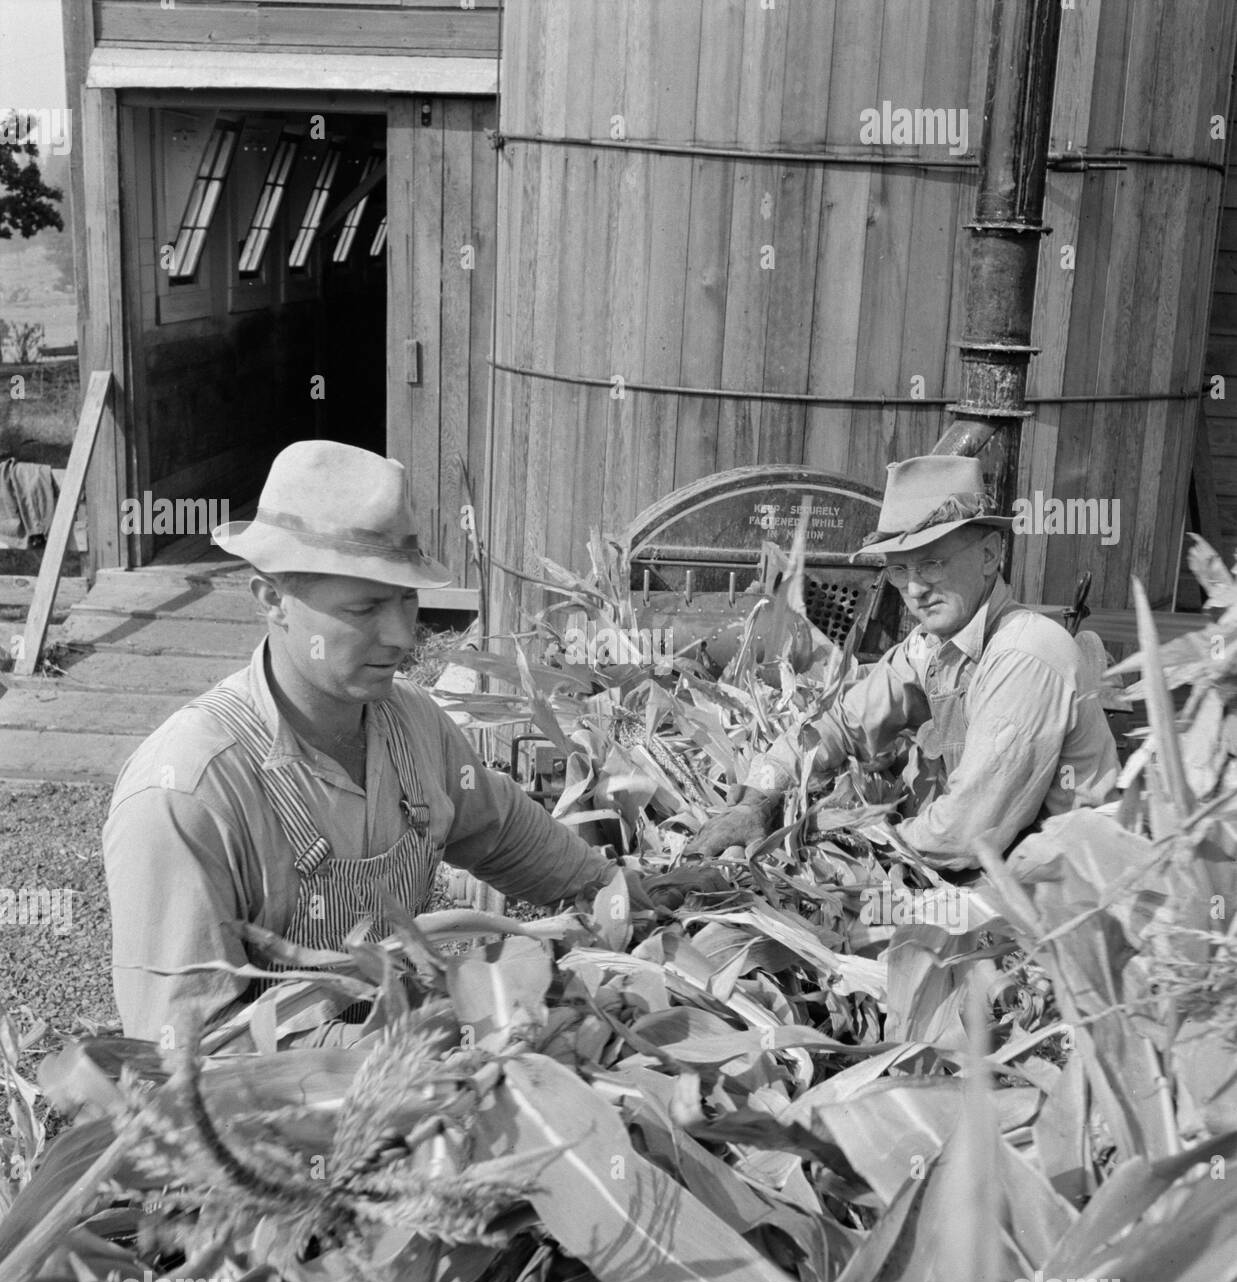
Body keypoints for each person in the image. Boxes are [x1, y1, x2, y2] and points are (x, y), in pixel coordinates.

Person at [105, 440, 629, 1052]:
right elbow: (190, 1054)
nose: (403, 636)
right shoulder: (188, 794)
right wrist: (400, 1048)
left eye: (408, 598)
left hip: (407, 1072)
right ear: (272, 599)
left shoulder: (410, 723)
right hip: (280, 1116)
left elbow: (504, 829)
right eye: (365, 607)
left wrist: (612, 892)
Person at [689, 455, 1120, 871]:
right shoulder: (932, 645)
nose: (914, 589)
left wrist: (836, 840)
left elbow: (965, 836)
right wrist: (759, 798)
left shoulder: (1024, 655)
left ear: (990, 555)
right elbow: (843, 724)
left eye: (931, 564)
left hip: (1063, 898)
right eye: (898, 570)